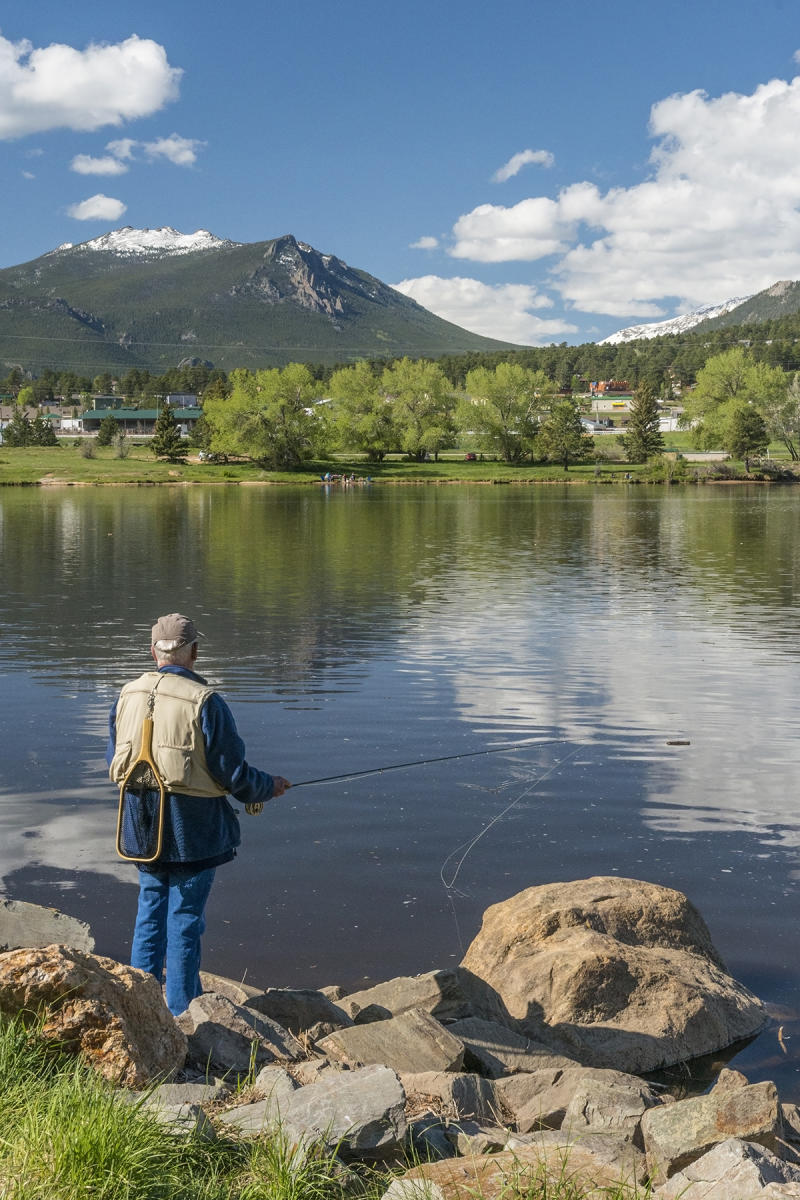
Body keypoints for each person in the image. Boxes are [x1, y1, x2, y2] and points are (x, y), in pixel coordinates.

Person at [107, 613, 290, 1015]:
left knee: (150, 911)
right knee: (185, 918)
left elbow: (113, 757)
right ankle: (180, 1012)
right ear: (194, 652)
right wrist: (269, 788)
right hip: (193, 824)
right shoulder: (206, 702)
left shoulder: (127, 695)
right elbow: (234, 774)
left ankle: (141, 1008)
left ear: (153, 650)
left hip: (139, 821)